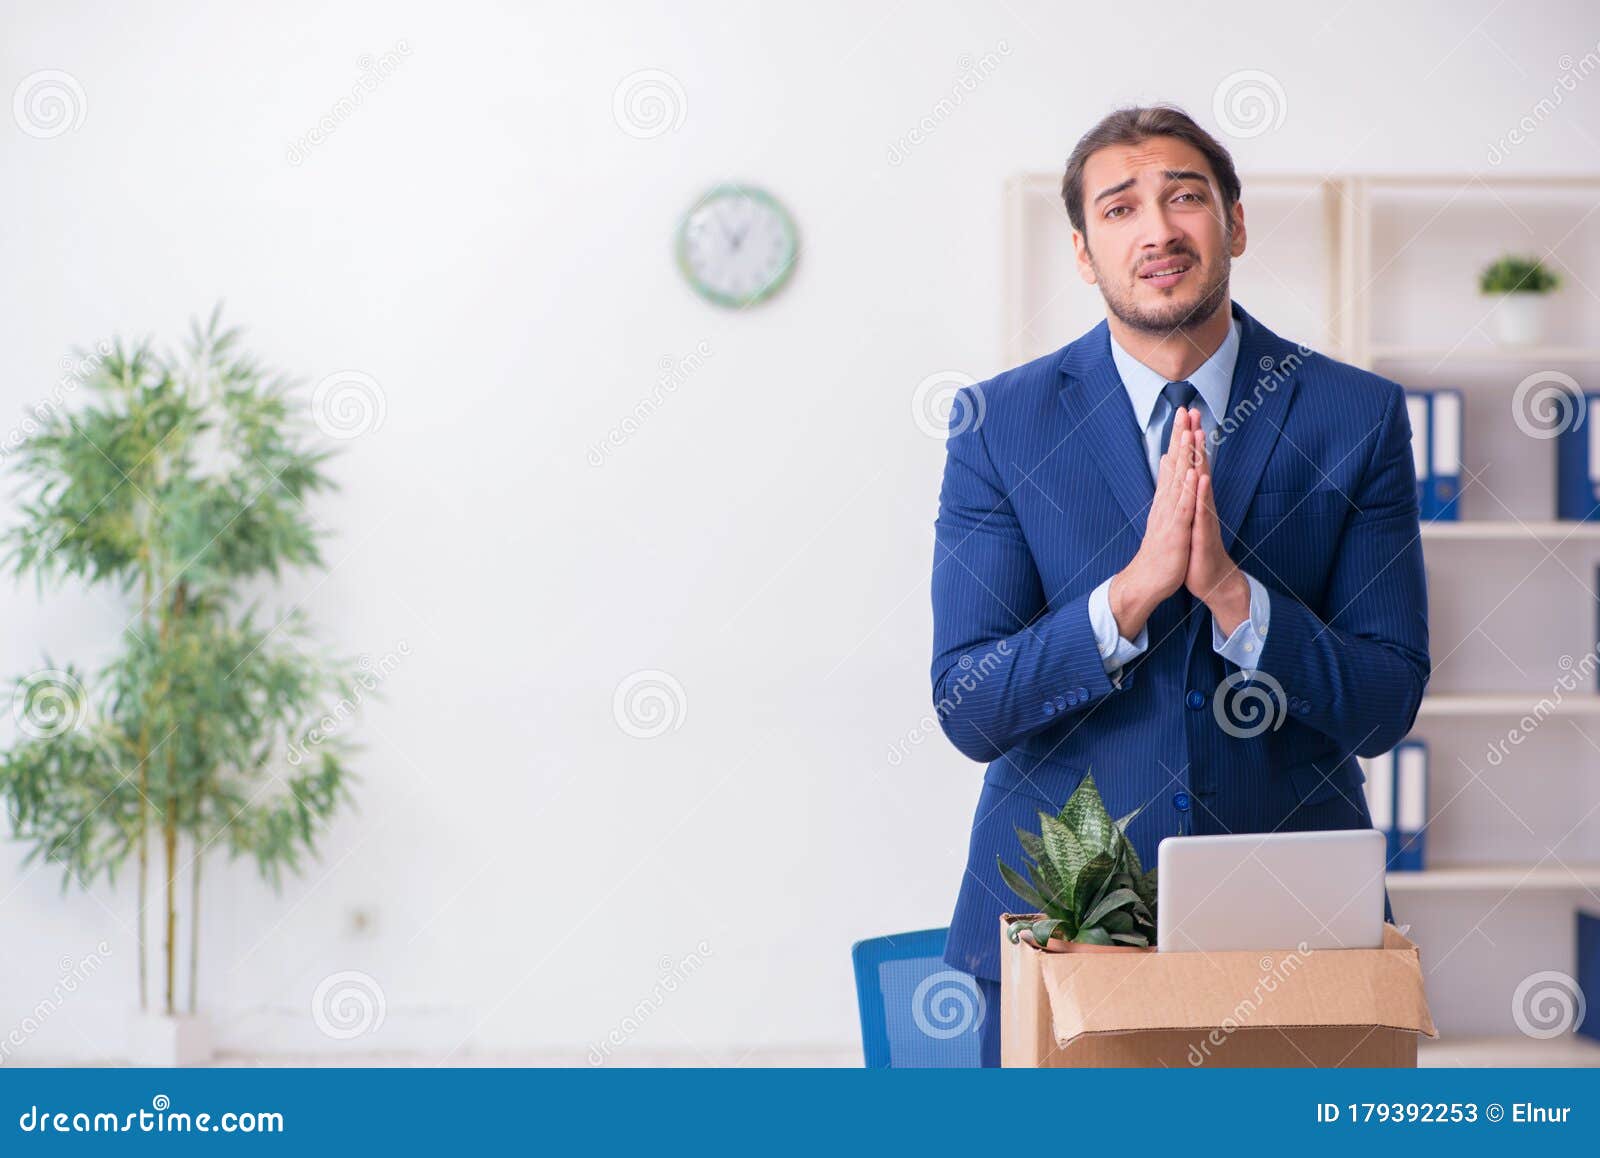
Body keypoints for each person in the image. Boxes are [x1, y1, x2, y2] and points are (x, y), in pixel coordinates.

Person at [928, 105, 1429, 1066]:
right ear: (1084, 252)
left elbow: (1384, 703)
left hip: (1298, 934)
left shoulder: (1354, 415)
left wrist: (1237, 600)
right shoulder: (1000, 424)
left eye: (1184, 197)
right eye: (1119, 209)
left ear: (1234, 225)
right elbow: (967, 706)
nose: (1156, 229)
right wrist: (1129, 598)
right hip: (1060, 931)